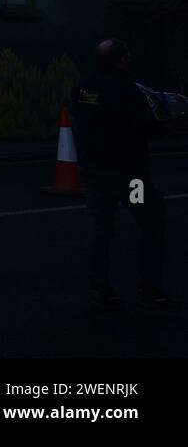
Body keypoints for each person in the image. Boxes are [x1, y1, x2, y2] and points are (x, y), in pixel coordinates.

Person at [72, 39, 180, 313]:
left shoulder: (82, 87)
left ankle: (100, 291)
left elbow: (78, 116)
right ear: (120, 60)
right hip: (128, 172)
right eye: (126, 57)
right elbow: (151, 128)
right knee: (152, 222)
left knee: (100, 231)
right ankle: (150, 291)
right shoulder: (129, 90)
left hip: (91, 169)